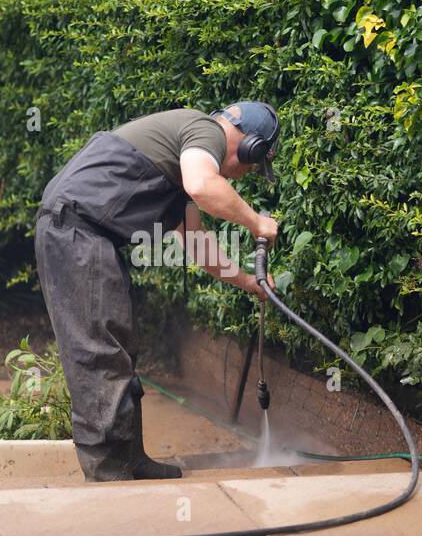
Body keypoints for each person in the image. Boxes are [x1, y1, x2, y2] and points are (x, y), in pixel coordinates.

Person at [34, 101, 280, 481]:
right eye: (252, 164)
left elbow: (196, 244)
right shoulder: (205, 133)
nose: (246, 174)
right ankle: (108, 476)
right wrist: (255, 222)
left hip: (87, 235)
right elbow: (203, 186)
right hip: (77, 232)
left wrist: (248, 282)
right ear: (250, 145)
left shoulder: (185, 157)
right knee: (98, 353)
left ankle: (131, 459)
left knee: (117, 347)